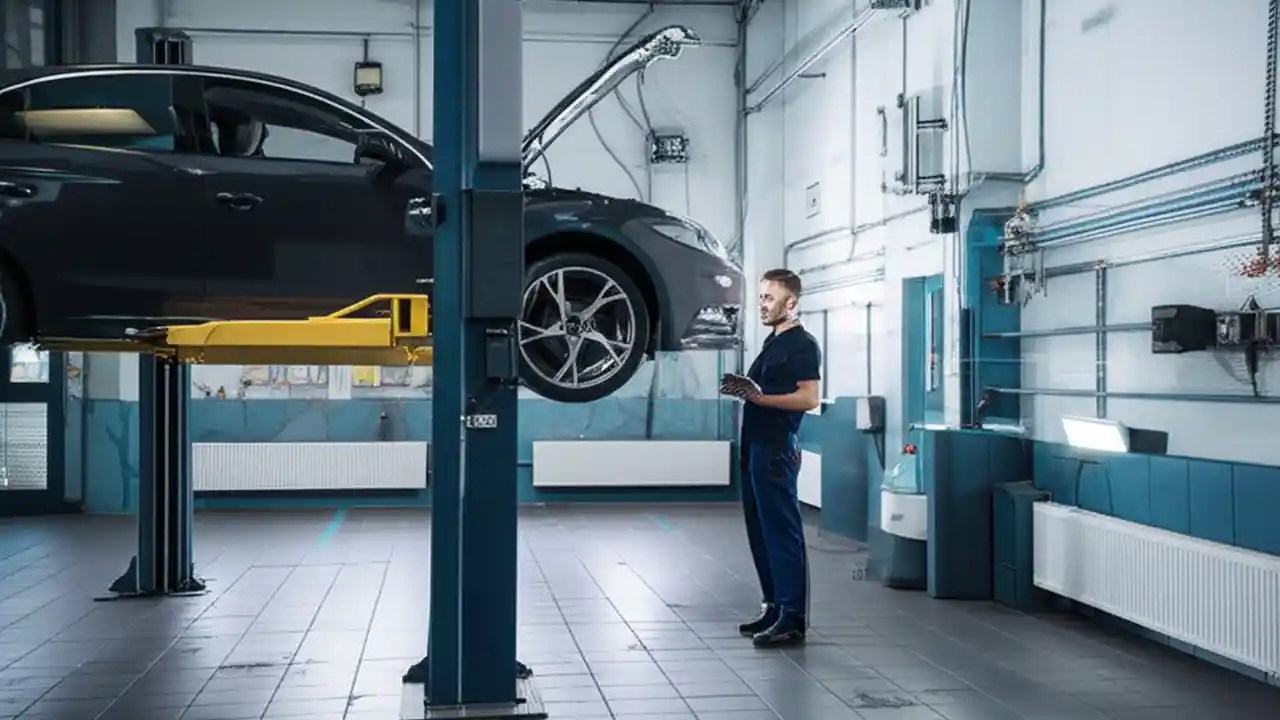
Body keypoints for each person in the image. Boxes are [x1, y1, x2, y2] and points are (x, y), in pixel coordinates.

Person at [720, 267, 821, 648]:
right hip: (755, 447)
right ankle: (773, 605)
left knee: (782, 533)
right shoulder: (772, 342)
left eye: (768, 297)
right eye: (760, 297)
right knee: (760, 532)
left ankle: (792, 617)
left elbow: (809, 398)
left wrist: (760, 398)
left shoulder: (802, 345)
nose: (762, 304)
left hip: (777, 448)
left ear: (790, 302)